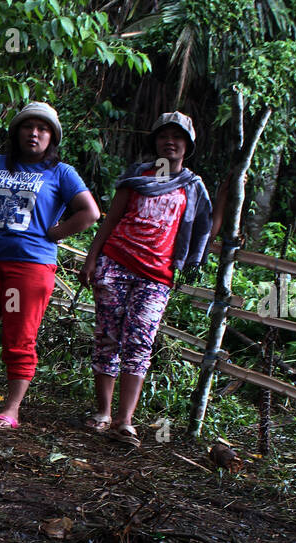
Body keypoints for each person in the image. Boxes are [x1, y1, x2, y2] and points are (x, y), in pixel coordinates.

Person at [0, 102, 100, 429]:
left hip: (28, 268)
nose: (34, 133)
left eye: (42, 128)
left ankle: (11, 409)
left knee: (19, 336)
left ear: (52, 136)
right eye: (28, 127)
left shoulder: (61, 173)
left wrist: (56, 233)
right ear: (17, 132)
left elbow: (90, 212)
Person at [79, 111, 212, 447]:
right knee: (108, 337)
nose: (170, 141)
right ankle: (103, 413)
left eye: (178, 137)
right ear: (154, 141)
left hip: (156, 275)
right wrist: (92, 258)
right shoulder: (137, 178)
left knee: (139, 342)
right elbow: (111, 220)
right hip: (116, 263)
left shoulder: (192, 187)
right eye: (164, 135)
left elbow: (204, 226)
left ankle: (125, 421)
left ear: (188, 145)